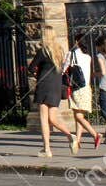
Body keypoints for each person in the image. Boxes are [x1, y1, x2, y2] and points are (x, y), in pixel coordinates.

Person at [32, 26, 77, 157]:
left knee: (44, 119)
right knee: (52, 118)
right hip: (56, 86)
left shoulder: (43, 51)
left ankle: (47, 149)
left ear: (44, 36)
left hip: (44, 86)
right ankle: (70, 135)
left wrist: (37, 75)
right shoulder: (59, 51)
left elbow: (31, 67)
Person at [66, 32, 101, 149]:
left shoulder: (71, 55)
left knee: (78, 117)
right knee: (79, 115)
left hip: (76, 88)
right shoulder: (88, 57)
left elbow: (63, 69)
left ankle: (95, 134)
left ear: (76, 42)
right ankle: (78, 140)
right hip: (86, 88)